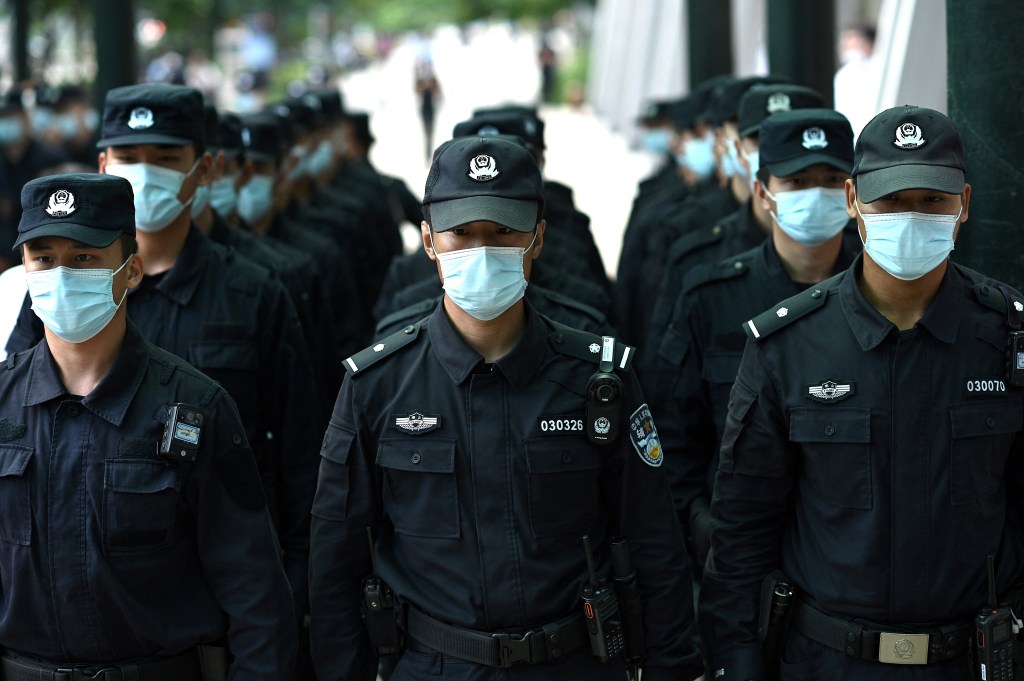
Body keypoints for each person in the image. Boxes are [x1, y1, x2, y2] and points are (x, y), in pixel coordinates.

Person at [310, 135, 706, 681]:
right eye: (461, 233)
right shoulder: (377, 386)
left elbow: (655, 545)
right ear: (428, 241)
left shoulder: (597, 378)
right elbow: (336, 561)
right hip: (434, 665)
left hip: (573, 664)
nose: (481, 250)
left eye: (502, 233)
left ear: (537, 238)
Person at [699, 106, 1024, 681]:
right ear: (853, 199)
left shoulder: (1007, 335)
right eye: (891, 200)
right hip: (828, 661)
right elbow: (743, 531)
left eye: (932, 200)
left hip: (974, 660)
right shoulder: (789, 345)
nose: (911, 217)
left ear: (965, 204)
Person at [0, 172, 296, 679]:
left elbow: (255, 594)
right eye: (43, 259)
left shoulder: (195, 407)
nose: (61, 276)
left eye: (85, 258)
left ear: (131, 270)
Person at [652, 108, 858, 574]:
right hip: (737, 555)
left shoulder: (877, 293)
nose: (816, 194)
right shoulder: (712, 295)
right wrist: (698, 525)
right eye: (798, 181)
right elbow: (674, 433)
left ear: (851, 193)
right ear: (764, 193)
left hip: (846, 560)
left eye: (831, 179)